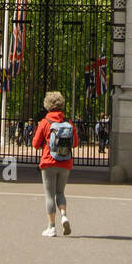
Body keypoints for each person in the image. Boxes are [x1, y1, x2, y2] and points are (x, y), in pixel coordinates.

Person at [32, 90, 78, 237]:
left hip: (48, 162)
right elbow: (75, 143)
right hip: (65, 162)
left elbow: (35, 143)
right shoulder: (68, 122)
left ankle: (51, 227)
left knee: (49, 195)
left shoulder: (45, 122)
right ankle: (64, 215)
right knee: (60, 192)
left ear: (47, 105)